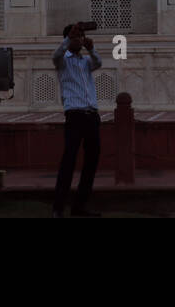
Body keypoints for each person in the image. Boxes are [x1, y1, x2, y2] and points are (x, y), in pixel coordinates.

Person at [51, 22, 102, 218]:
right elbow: (55, 56)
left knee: (91, 162)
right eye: (76, 36)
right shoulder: (63, 60)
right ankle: (58, 208)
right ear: (68, 39)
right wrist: (67, 39)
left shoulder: (84, 62)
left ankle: (79, 206)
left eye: (81, 36)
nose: (79, 39)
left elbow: (98, 63)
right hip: (75, 116)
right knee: (69, 162)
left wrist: (91, 49)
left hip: (91, 115)